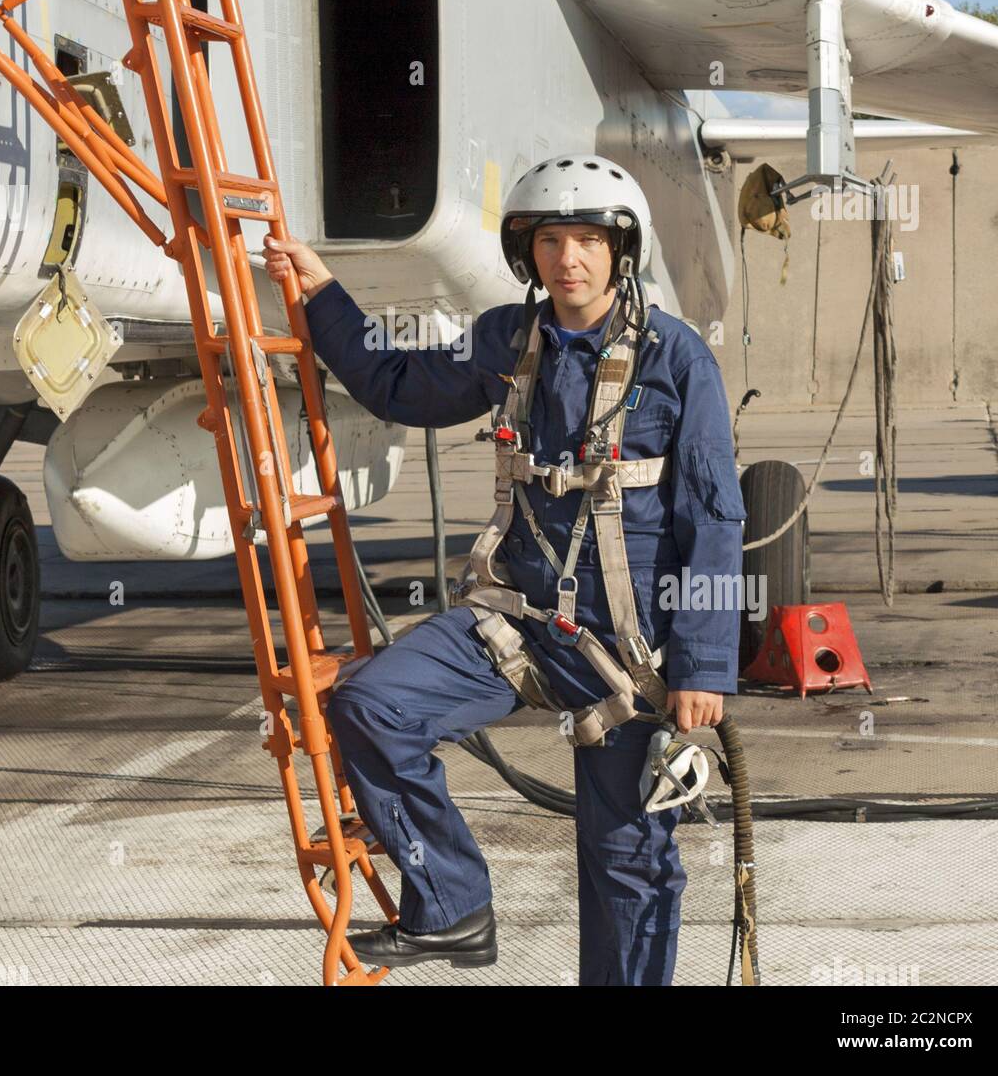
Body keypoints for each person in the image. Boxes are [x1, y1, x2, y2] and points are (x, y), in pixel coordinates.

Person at [262, 154, 746, 986]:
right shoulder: (507, 341)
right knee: (372, 705)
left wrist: (704, 662)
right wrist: (320, 295)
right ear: (529, 254)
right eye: (551, 240)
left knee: (626, 857)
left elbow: (713, 516)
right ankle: (452, 908)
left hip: (627, 654)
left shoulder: (676, 358)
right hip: (515, 621)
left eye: (588, 239)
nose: (569, 259)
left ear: (619, 251)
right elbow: (397, 384)